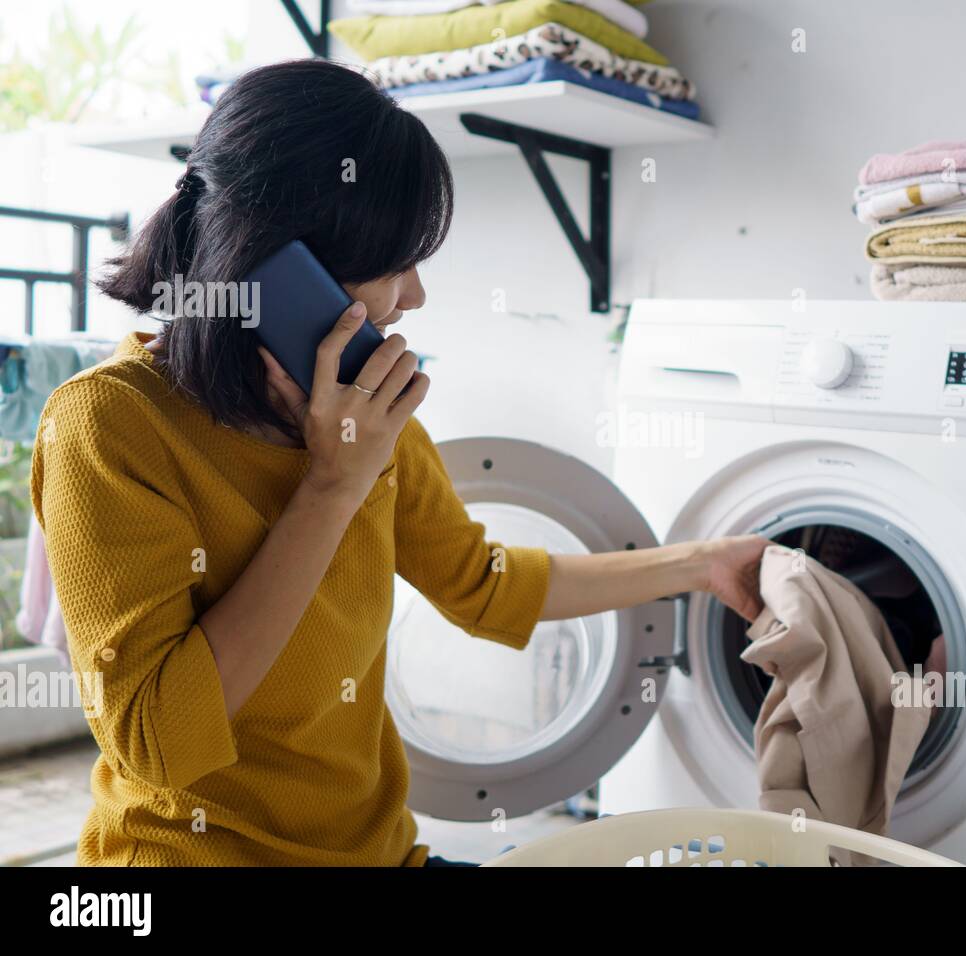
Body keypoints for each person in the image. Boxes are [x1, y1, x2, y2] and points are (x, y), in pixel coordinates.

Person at [32, 59, 768, 866]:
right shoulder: (110, 425)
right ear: (277, 271)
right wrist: (331, 487)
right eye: (392, 264)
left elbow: (483, 586)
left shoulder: (362, 410)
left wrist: (704, 564)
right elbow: (158, 744)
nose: (413, 296)